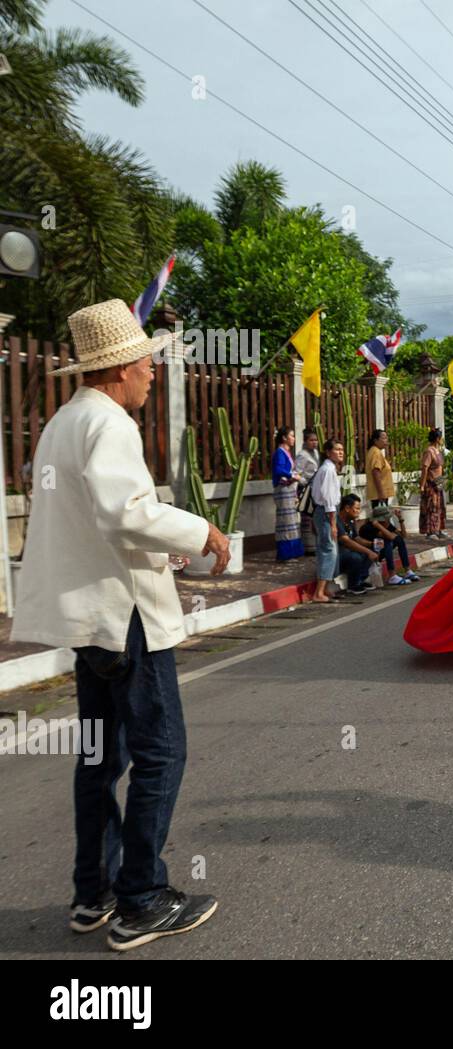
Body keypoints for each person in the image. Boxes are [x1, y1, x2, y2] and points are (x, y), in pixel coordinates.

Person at [11, 298, 228, 951]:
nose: (153, 374)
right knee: (162, 749)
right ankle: (141, 897)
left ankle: (94, 891)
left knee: (100, 756)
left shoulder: (63, 422)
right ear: (119, 368)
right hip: (127, 614)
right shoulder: (109, 424)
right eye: (147, 363)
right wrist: (201, 529)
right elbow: (127, 512)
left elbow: (93, 520)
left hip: (92, 619)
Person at [310, 439, 346, 604]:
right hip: (326, 513)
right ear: (328, 452)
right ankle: (319, 592)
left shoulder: (329, 469)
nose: (340, 452)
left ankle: (327, 587)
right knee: (328, 550)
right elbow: (328, 499)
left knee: (330, 549)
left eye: (342, 450)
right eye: (337, 449)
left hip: (327, 512)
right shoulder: (328, 470)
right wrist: (333, 523)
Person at [360, 504, 421, 585]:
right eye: (386, 519)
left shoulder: (386, 524)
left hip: (380, 549)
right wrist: (378, 526)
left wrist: (401, 520)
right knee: (387, 542)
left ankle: (407, 570)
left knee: (399, 540)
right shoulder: (369, 527)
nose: (388, 521)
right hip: (371, 551)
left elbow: (403, 536)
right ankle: (392, 575)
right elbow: (391, 537)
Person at [335, 494, 379, 595]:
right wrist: (367, 551)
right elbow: (347, 541)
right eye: (357, 508)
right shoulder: (337, 521)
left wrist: (372, 544)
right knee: (356, 557)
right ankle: (353, 585)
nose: (359, 511)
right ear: (347, 508)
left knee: (370, 552)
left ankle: (360, 580)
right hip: (339, 555)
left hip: (348, 552)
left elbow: (356, 538)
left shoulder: (350, 521)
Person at [271, 426, 304, 559]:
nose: (294, 439)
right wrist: (292, 475)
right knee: (286, 522)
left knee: (291, 521)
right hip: (283, 490)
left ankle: (293, 552)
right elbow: (278, 470)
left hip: (289, 490)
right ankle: (285, 554)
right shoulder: (280, 452)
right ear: (284, 438)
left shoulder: (286, 452)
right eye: (292, 436)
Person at [418, 428, 448, 541]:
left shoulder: (438, 451)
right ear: (437, 439)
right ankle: (430, 531)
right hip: (430, 484)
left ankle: (439, 529)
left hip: (438, 484)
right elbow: (425, 468)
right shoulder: (429, 451)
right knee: (431, 507)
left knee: (440, 507)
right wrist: (422, 484)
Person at [295, 428, 320, 554]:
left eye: (316, 440)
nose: (314, 443)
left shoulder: (316, 453)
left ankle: (315, 544)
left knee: (315, 517)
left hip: (315, 489)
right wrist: (305, 482)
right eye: (311, 440)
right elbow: (297, 473)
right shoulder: (302, 455)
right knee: (306, 517)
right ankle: (308, 546)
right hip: (305, 489)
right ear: (305, 441)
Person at [365, 429, 395, 511]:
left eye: (386, 438)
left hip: (378, 494)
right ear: (376, 440)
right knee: (382, 520)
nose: (386, 440)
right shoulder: (376, 452)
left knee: (381, 519)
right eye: (384, 438)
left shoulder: (374, 451)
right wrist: (381, 493)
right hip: (379, 494)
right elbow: (376, 472)